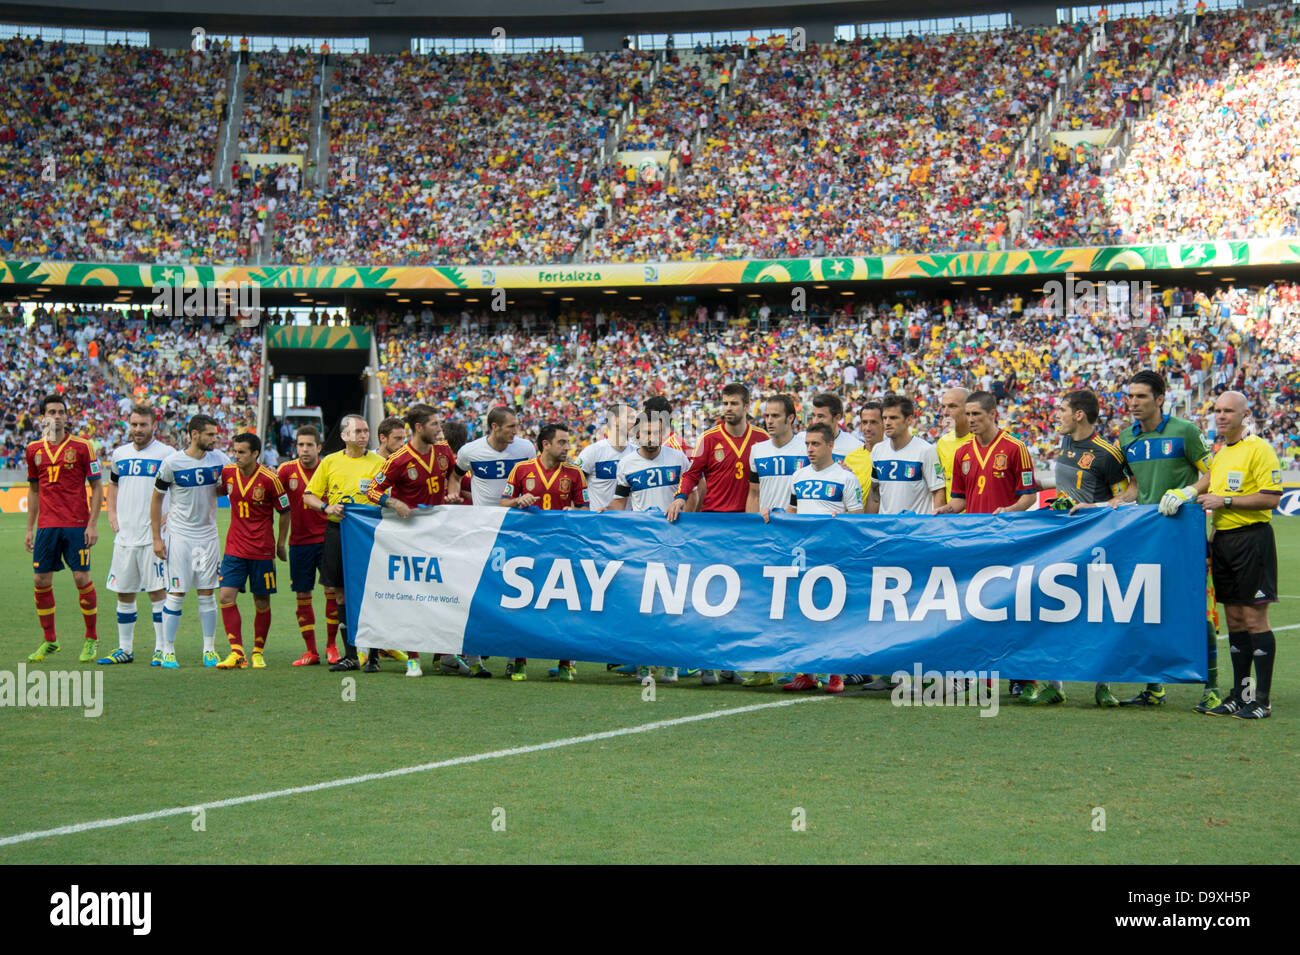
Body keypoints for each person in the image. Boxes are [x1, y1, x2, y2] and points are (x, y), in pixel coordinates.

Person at [1110, 370, 1217, 710]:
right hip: (1145, 537)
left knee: (1196, 610)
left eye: (1140, 396)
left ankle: (1211, 688)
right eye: (1130, 396)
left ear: (1159, 399)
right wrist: (1117, 502)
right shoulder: (1127, 437)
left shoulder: (1185, 432)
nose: (1133, 403)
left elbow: (1211, 473)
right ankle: (1153, 688)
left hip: (1183, 536)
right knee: (1145, 608)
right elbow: (1135, 487)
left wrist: (1188, 491)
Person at [1024, 389, 1130, 706]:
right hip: (1060, 542)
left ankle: (1103, 686)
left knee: (1099, 613)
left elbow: (1123, 499)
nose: (1057, 415)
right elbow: (1069, 484)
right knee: (1053, 611)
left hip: (1096, 543)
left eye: (1062, 410)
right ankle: (1054, 685)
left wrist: (1091, 507)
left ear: (1079, 414)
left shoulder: (1107, 454)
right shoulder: (1066, 444)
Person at [936, 391, 1037, 695]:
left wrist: (1010, 510)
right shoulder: (962, 452)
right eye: (967, 414)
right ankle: (977, 674)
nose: (970, 420)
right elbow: (959, 500)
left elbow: (1029, 495)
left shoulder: (1016, 447)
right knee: (975, 610)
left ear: (994, 413)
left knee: (1012, 610)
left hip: (1009, 542)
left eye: (976, 414)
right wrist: (946, 510)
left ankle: (1023, 677)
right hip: (975, 542)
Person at [667, 382, 768, 685]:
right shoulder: (709, 438)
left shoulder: (762, 440)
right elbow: (692, 473)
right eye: (724, 403)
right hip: (712, 525)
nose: (727, 408)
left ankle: (729, 665)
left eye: (734, 403)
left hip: (748, 528)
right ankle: (706, 664)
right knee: (711, 597)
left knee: (741, 599)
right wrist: (681, 496)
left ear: (747, 406)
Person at [1198, 391, 1282, 720]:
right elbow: (1213, 498)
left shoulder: (1259, 449)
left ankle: (1262, 700)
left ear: (1245, 415)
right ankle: (1240, 695)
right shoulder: (1220, 455)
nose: (1221, 416)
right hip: (1224, 543)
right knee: (1233, 620)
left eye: (1228, 411)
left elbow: (1272, 498)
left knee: (1253, 619)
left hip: (1252, 542)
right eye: (1217, 410)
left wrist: (1226, 502)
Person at [364, 404, 458, 676]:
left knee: (445, 593)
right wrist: (393, 502)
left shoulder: (443, 451)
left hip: (440, 534)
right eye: (435, 425)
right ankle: (413, 657)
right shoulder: (399, 459)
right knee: (415, 596)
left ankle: (443, 656)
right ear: (419, 428)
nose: (440, 430)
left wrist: (452, 491)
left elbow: (454, 475)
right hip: (411, 538)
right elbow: (372, 489)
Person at [499, 423, 589, 682]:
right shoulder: (521, 470)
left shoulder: (574, 473)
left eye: (567, 442)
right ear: (545, 444)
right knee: (521, 604)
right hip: (526, 547)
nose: (566, 447)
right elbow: (503, 502)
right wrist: (518, 501)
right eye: (561, 442)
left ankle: (564, 663)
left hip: (562, 548)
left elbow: (585, 508)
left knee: (563, 606)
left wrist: (576, 512)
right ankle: (518, 661)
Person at [451, 406, 536, 677]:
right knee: (479, 593)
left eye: (516, 425)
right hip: (482, 530)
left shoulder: (525, 449)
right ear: (495, 427)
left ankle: (516, 658)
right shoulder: (470, 451)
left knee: (519, 593)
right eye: (510, 426)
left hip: (517, 529)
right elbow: (454, 475)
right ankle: (475, 657)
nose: (516, 431)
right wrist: (453, 494)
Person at [780, 423, 864, 695]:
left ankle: (836, 673)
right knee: (803, 613)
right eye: (807, 444)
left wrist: (835, 524)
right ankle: (807, 673)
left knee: (832, 613)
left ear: (830, 446)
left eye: (816, 444)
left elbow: (858, 517)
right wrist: (777, 516)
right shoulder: (798, 476)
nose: (810, 449)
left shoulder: (846, 478)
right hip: (805, 554)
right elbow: (792, 510)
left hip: (835, 555)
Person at [608, 410, 690, 684]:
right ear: (637, 435)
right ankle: (644, 662)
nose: (652, 438)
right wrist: (604, 517)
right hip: (643, 543)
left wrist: (693, 519)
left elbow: (695, 488)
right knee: (644, 601)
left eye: (656, 432)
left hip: (677, 539)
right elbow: (620, 502)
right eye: (646, 433)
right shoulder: (627, 464)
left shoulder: (678, 458)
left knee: (673, 601)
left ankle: (672, 663)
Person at [303, 415, 386, 672]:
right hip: (338, 533)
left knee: (370, 593)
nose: (363, 435)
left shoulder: (380, 463)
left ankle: (372, 656)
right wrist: (327, 506)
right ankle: (350, 655)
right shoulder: (330, 462)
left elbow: (388, 495)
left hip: (369, 535)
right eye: (358, 431)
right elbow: (308, 496)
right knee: (340, 595)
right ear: (344, 436)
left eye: (365, 430)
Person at [25, 394, 104, 664]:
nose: (56, 416)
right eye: (51, 412)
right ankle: (50, 640)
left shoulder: (83, 447)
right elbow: (34, 491)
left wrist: (92, 524)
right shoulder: (33, 449)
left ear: (66, 416)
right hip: (47, 526)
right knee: (40, 581)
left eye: (60, 412)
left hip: (76, 525)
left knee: (81, 579)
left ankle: (91, 639)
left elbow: (96, 487)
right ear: (43, 417)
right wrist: (29, 529)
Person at [150, 415, 230, 669]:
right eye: (210, 435)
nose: (215, 439)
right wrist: (156, 538)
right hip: (180, 536)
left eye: (215, 435)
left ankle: (209, 649)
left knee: (207, 594)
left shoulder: (220, 460)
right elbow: (156, 500)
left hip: (208, 535)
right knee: (176, 594)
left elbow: (222, 488)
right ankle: (168, 650)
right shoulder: (172, 463)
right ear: (194, 434)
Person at [98, 404, 172, 665]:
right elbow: (114, 484)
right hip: (125, 536)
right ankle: (125, 649)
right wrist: (111, 514)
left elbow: (176, 490)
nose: (138, 429)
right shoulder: (120, 454)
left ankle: (162, 649)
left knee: (157, 592)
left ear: (154, 425)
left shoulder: (166, 454)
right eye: (134, 425)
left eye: (143, 425)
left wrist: (169, 516)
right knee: (124, 591)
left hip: (154, 536)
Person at [214, 433, 291, 670]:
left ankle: (258, 651)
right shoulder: (228, 473)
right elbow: (217, 491)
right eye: (235, 451)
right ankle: (237, 652)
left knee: (261, 601)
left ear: (255, 454)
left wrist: (280, 544)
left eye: (242, 452)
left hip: (262, 550)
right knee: (226, 596)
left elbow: (285, 511)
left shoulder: (270, 479)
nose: (236, 456)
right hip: (234, 548)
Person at [276, 425, 334, 666]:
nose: (304, 449)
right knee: (303, 595)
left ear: (319, 447)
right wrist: (279, 541)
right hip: (299, 543)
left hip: (328, 540)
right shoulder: (285, 471)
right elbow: (277, 504)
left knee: (333, 592)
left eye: (310, 445)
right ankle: (311, 651)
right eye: (301, 445)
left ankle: (332, 647)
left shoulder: (330, 468)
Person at [866, 394, 945, 516]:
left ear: (909, 420)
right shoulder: (878, 450)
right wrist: (868, 525)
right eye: (884, 418)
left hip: (915, 531)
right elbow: (874, 492)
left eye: (893, 418)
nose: (887, 423)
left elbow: (938, 491)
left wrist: (935, 527)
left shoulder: (926, 450)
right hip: (886, 530)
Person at [577, 402, 634, 512]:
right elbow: (574, 483)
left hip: (629, 522)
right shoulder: (592, 452)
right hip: (599, 522)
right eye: (629, 418)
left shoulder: (636, 452)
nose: (634, 422)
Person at [935, 388, 974, 501]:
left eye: (952, 406)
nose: (945, 412)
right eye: (943, 406)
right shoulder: (942, 443)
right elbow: (940, 484)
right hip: (950, 516)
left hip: (978, 516)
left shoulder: (982, 441)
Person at [801, 392, 863, 462]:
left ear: (837, 417)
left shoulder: (855, 447)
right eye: (813, 415)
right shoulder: (800, 440)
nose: (815, 421)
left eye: (820, 416)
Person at [843, 400, 883, 510]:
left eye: (873, 422)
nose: (867, 428)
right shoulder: (850, 458)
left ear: (884, 423)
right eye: (864, 422)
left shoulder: (891, 456)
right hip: (856, 522)